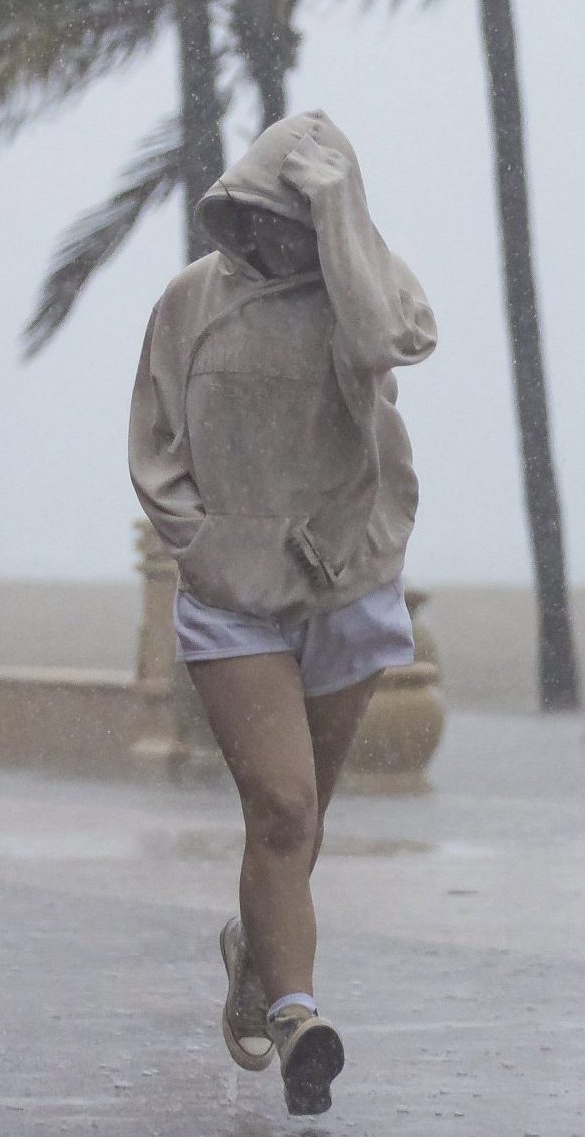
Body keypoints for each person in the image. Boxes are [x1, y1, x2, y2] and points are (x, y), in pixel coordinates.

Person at [128, 110, 436, 1115]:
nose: (272, 235)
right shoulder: (191, 301)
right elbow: (155, 442)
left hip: (347, 583)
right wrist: (209, 547)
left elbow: (393, 340)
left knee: (304, 825)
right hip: (234, 601)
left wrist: (344, 215)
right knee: (283, 808)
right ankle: (300, 1018)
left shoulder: (369, 291)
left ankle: (253, 954)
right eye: (261, 214)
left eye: (297, 219)